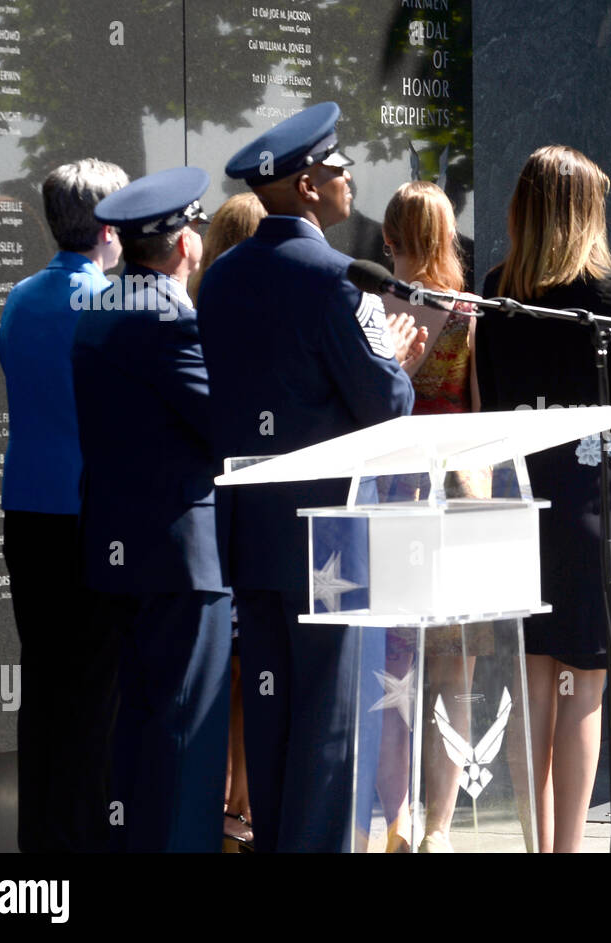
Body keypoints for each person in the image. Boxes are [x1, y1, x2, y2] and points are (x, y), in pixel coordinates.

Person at [196, 102, 423, 853]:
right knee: (328, 726)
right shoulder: (338, 280)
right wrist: (391, 354)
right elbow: (386, 401)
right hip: (330, 539)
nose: (350, 176)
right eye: (336, 168)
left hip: (252, 538)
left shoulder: (222, 278)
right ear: (308, 187)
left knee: (271, 714)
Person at [475, 145, 611, 852]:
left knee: (535, 684)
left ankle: (534, 843)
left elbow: (487, 402)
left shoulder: (496, 287)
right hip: (590, 499)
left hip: (520, 494)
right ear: (584, 212)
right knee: (584, 687)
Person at [74, 165, 231, 852]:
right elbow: (222, 424)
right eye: (193, 227)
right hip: (180, 556)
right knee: (183, 741)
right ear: (182, 243)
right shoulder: (171, 318)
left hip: (120, 549)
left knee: (136, 730)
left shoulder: (100, 308)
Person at [0, 157, 128, 852]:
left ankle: (43, 839)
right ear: (109, 226)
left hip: (27, 512)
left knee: (45, 681)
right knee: (94, 694)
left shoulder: (20, 297)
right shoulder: (109, 303)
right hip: (90, 515)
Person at [377, 180, 487, 853]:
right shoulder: (470, 312)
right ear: (447, 236)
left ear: (388, 238)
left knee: (393, 673)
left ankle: (395, 822)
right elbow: (482, 415)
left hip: (389, 499)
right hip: (455, 504)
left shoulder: (367, 308)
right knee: (455, 675)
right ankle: (441, 829)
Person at [187, 191, 267, 851]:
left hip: (204, 519)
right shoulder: (247, 317)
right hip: (244, 517)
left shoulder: (196, 312)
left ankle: (222, 805)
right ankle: (237, 809)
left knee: (223, 670)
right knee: (243, 672)